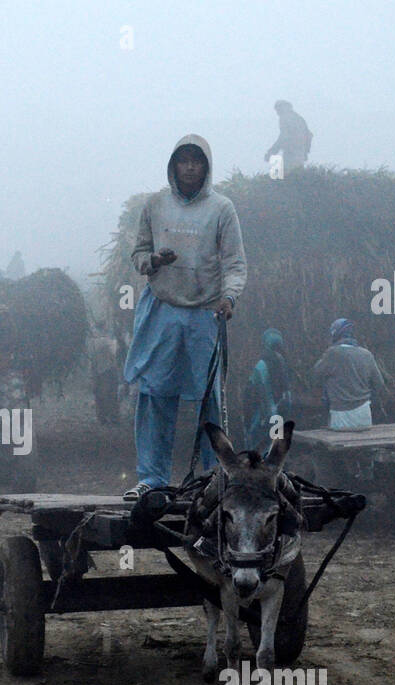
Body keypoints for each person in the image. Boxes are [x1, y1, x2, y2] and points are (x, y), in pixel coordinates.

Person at [122, 134, 247, 500]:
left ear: (206, 166)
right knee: (155, 394)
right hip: (161, 309)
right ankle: (151, 477)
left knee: (209, 396)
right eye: (183, 160)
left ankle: (213, 475)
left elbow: (235, 262)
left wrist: (229, 297)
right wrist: (154, 261)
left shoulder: (222, 208)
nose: (190, 166)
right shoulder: (155, 205)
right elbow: (138, 251)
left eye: (197, 160)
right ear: (173, 164)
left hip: (204, 313)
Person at [311, 319, 386, 431]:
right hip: (364, 416)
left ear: (335, 335)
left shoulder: (332, 354)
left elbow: (316, 375)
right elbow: (379, 384)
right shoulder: (367, 354)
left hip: (340, 417)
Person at [242, 329, 293, 454]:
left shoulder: (261, 365)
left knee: (259, 445)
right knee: (276, 445)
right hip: (280, 412)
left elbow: (251, 390)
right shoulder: (284, 363)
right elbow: (287, 392)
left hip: (264, 415)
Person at [263, 100, 312, 173]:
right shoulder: (299, 118)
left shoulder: (285, 118)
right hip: (299, 152)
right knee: (298, 174)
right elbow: (309, 135)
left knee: (286, 174)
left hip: (290, 152)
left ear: (284, 107)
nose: (277, 112)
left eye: (278, 109)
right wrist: (306, 151)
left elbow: (284, 136)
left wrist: (272, 151)